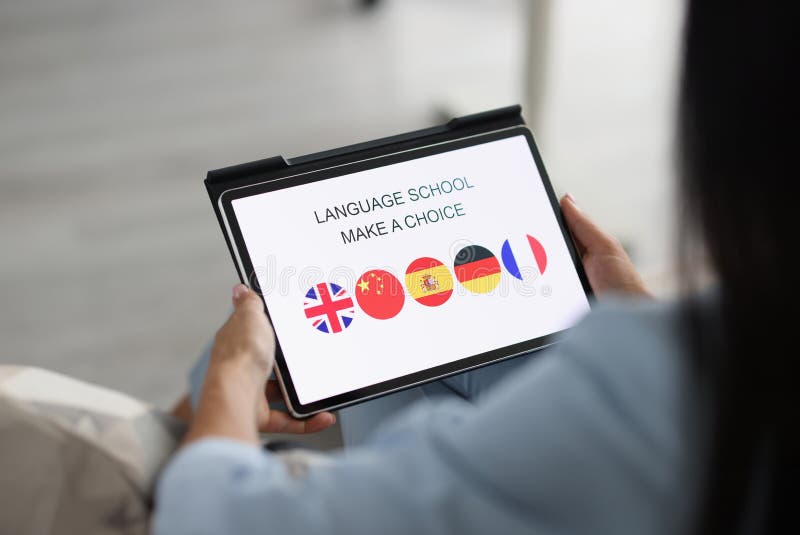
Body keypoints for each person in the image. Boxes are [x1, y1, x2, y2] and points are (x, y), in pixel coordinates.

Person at [153, 2, 794, 534]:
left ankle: (179, 428)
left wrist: (235, 373)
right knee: (430, 336)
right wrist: (639, 317)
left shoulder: (662, 392)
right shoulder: (683, 362)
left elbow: (212, 517)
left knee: (300, 339)